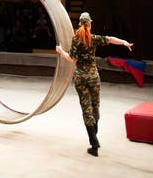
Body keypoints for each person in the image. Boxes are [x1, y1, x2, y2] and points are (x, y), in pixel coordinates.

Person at [56, 13, 133, 156]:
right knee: (95, 106)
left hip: (81, 77)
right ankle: (94, 136)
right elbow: (110, 39)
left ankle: (94, 142)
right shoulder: (94, 38)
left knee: (86, 109)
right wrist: (124, 42)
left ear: (80, 24)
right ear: (89, 24)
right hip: (93, 77)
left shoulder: (76, 39)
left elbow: (72, 59)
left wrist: (61, 52)